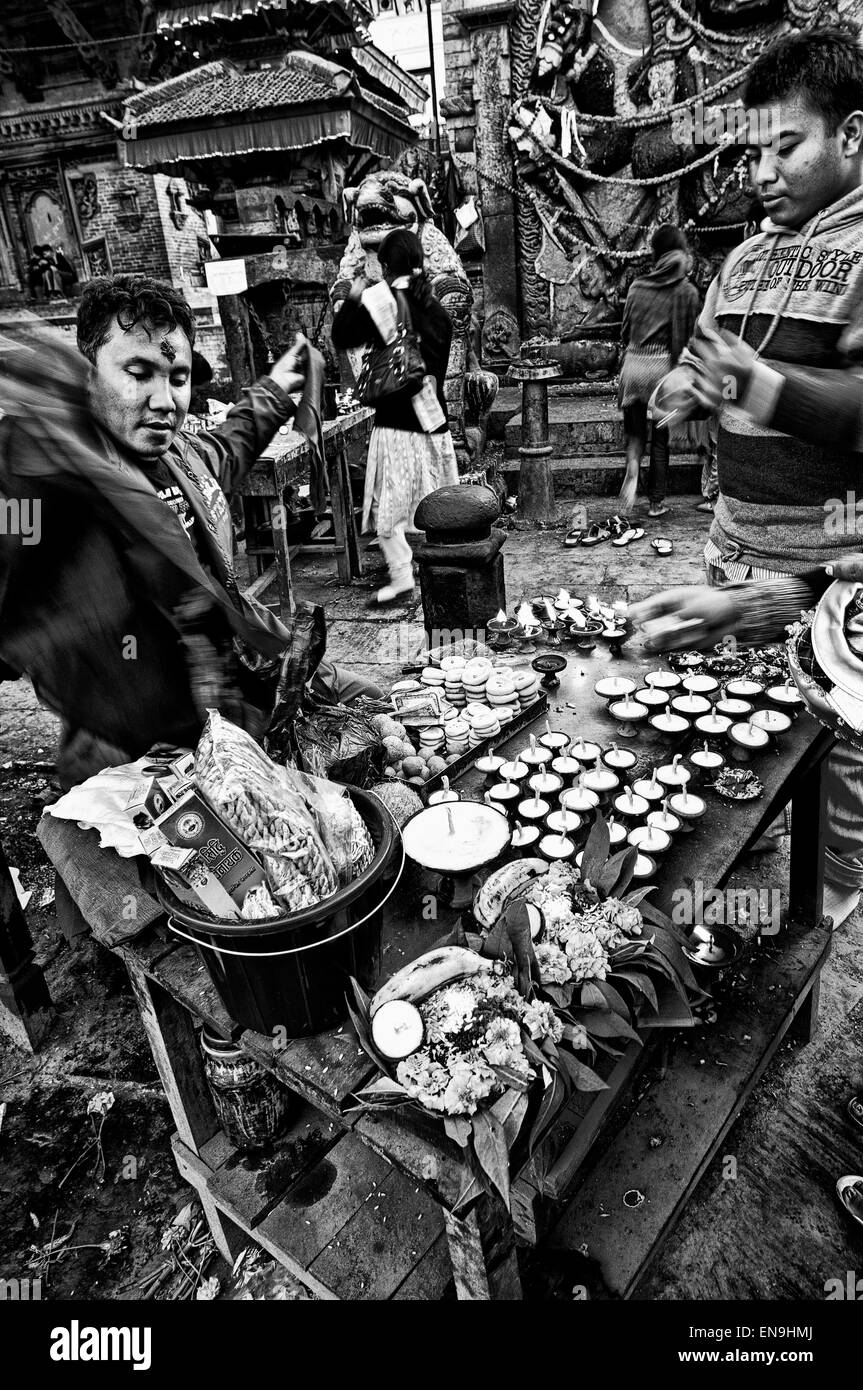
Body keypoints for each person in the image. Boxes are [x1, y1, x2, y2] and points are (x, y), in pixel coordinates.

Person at [643, 23, 863, 930]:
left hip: (835, 566)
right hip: (736, 548)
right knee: (743, 718)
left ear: (850, 136)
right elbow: (711, 367)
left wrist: (758, 383)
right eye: (753, 151)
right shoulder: (742, 256)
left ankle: (829, 899)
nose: (762, 171)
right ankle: (753, 856)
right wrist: (684, 390)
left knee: (835, 744)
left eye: (786, 146)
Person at [0, 273, 376, 795]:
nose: (165, 401)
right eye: (138, 372)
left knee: (374, 707)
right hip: (142, 754)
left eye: (177, 378)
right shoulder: (48, 489)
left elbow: (230, 446)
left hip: (238, 689)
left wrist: (277, 387)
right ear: (88, 374)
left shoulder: (182, 459)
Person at [331, 228, 458, 604]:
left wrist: (353, 296)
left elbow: (342, 337)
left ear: (385, 265)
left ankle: (403, 576)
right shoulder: (437, 310)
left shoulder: (379, 301)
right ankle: (446, 569)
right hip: (434, 423)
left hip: (396, 426)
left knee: (388, 515)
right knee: (441, 507)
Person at [616, 225, 701, 519]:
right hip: (662, 369)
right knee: (661, 438)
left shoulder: (637, 286)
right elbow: (692, 339)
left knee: (635, 431)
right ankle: (656, 503)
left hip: (633, 365)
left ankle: (632, 469)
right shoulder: (686, 291)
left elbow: (625, 331)